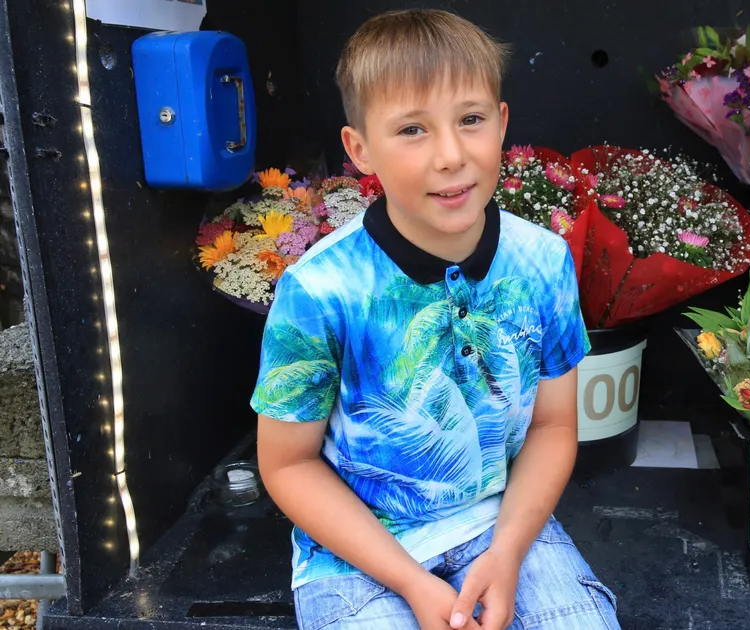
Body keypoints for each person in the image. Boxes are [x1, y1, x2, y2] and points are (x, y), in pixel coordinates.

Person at [250, 8, 620, 630]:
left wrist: (505, 554)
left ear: (502, 125)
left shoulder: (543, 260)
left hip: (500, 526)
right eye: (413, 130)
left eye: (470, 120)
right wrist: (414, 586)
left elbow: (554, 427)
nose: (452, 155)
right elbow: (288, 463)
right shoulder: (319, 288)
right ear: (359, 148)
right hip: (359, 555)